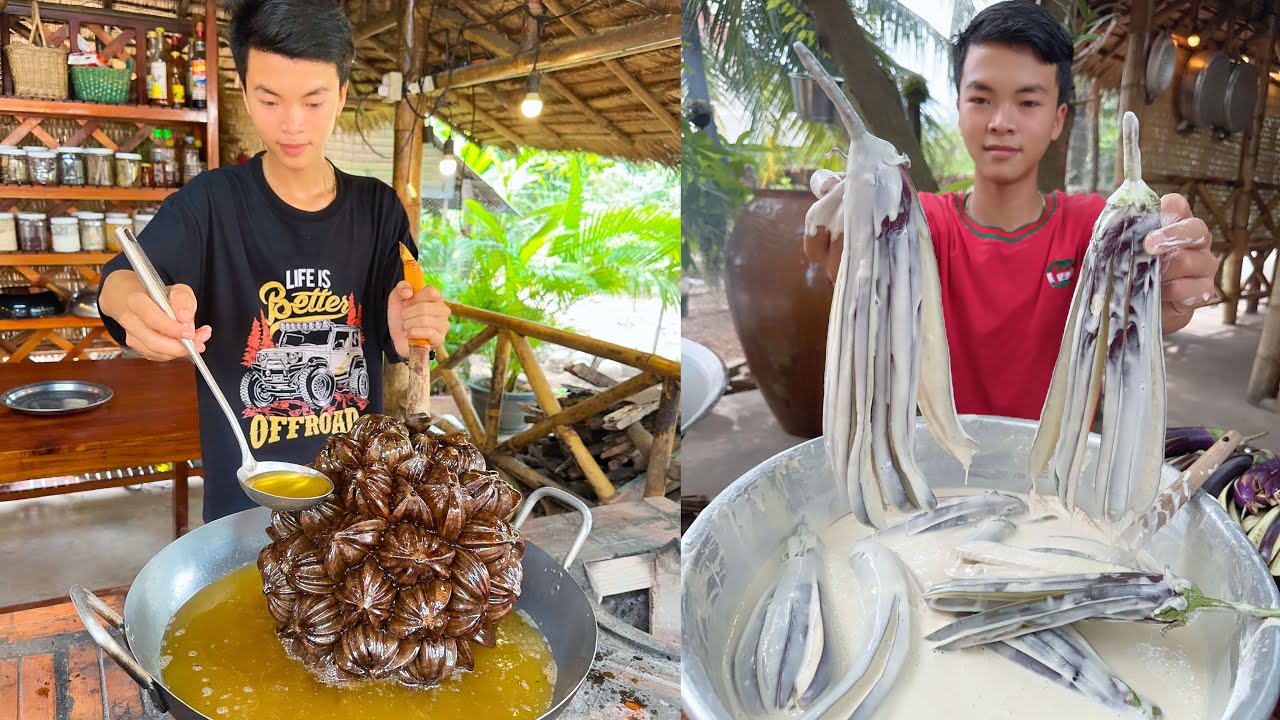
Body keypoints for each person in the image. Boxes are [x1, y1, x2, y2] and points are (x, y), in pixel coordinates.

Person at [98, 0, 451, 523]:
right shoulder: (210, 204)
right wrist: (136, 307)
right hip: (246, 503)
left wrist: (407, 331)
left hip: (358, 501)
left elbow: (396, 320)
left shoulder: (378, 210)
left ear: (341, 95)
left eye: (313, 102)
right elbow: (119, 279)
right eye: (269, 100)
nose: (292, 124)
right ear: (243, 93)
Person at [802, 0, 1220, 420]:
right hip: (940, 477)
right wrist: (847, 241)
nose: (1001, 121)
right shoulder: (916, 225)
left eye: (1027, 103)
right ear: (960, 107)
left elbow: (1137, 301)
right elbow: (868, 291)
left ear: (1058, 120)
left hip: (1065, 479)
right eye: (981, 99)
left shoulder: (1095, 231)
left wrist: (1166, 289)